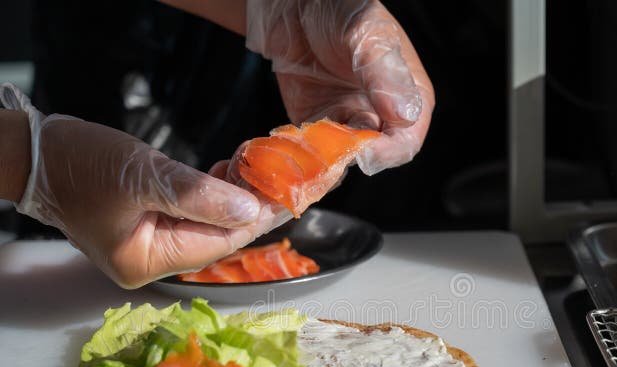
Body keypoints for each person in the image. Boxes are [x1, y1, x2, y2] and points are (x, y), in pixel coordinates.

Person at [0, 0, 433, 288]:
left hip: (230, 44)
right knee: (73, 276)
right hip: (108, 38)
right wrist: (31, 163)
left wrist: (280, 11)